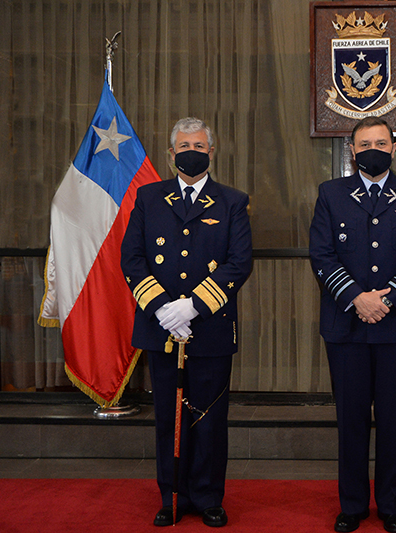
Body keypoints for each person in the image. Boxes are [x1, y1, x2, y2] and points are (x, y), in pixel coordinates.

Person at [121, 117, 252, 527]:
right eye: (183, 146)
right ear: (170, 153)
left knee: (209, 419)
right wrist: (162, 308)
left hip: (209, 326)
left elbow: (239, 263)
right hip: (162, 329)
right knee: (168, 416)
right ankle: (171, 496)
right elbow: (132, 259)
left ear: (211, 152)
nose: (190, 152)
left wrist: (193, 307)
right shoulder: (148, 198)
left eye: (198, 146)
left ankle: (209, 497)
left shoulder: (232, 201)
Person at [309, 116, 396, 533]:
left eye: (381, 143)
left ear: (395, 148)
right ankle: (352, 505)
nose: (373, 150)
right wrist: (356, 298)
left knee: (393, 420)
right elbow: (321, 255)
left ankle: (392, 506)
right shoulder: (331, 193)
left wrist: (387, 299)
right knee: (351, 420)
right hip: (346, 325)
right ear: (352, 150)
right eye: (364, 144)